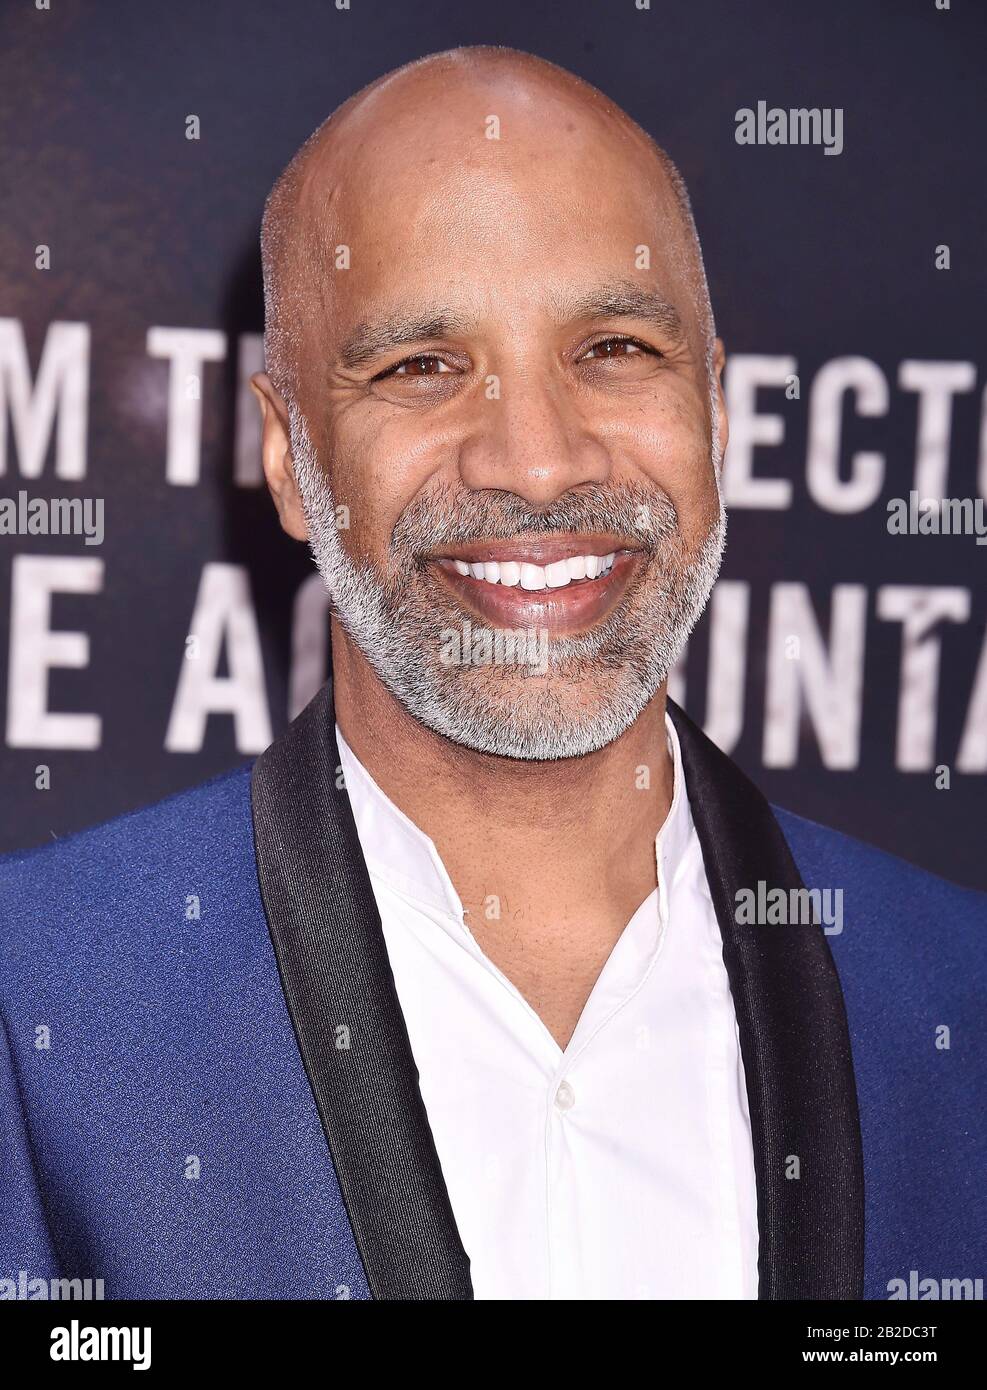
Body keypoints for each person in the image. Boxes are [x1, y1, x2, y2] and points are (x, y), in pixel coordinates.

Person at [1, 46, 983, 1302]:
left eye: (616, 348)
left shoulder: (957, 1003)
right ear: (292, 460)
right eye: (421, 367)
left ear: (719, 415)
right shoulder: (41, 1001)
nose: (534, 461)